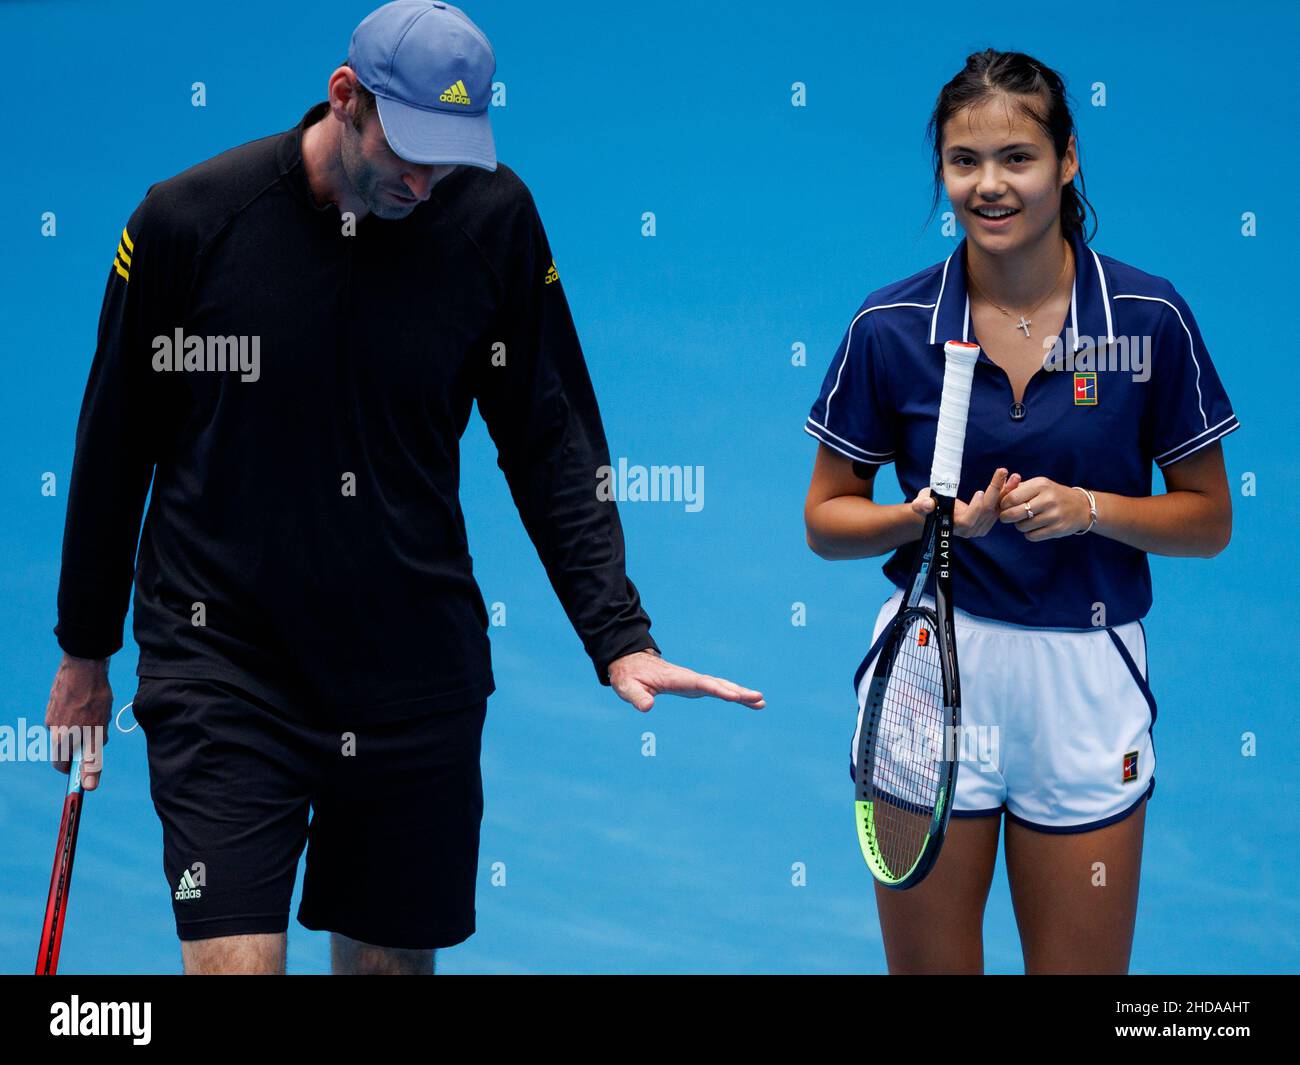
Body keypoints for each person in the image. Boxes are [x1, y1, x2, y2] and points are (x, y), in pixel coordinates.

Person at [46, 0, 762, 976]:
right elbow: (115, 440)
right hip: (226, 661)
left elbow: (548, 435)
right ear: (345, 98)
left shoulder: (491, 218)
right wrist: (84, 651)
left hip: (410, 670)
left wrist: (616, 631)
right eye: (408, 147)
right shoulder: (188, 221)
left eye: (451, 152)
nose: (425, 181)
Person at [803, 48, 1237, 974]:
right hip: (932, 670)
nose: (989, 185)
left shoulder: (1149, 320)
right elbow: (826, 518)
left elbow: (1208, 519)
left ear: (1067, 161)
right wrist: (923, 518)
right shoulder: (889, 327)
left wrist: (1091, 509)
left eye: (1017, 159)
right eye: (964, 162)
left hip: (1084, 679)